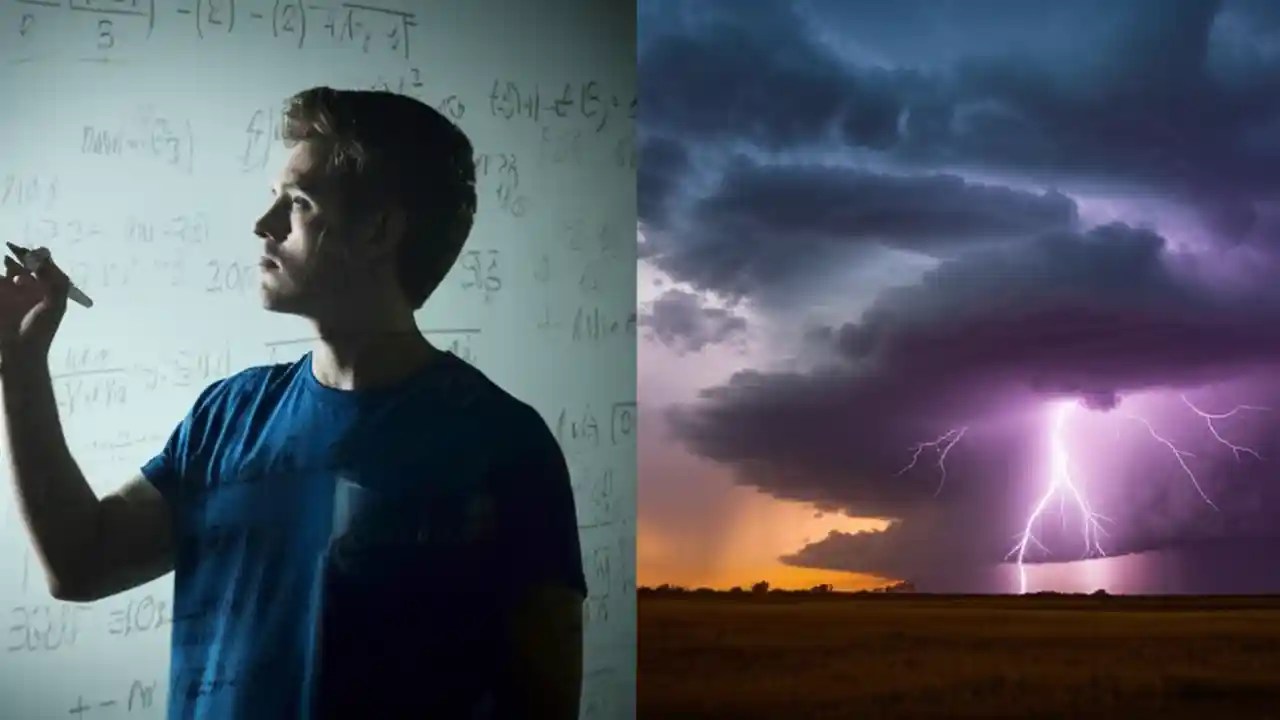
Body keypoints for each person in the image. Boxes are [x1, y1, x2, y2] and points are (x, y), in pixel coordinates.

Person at [0, 87, 587, 719]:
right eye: (274, 198)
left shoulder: (501, 445)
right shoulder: (228, 415)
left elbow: (544, 703)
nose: (265, 224)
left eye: (299, 203)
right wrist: (19, 360)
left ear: (380, 230)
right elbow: (80, 563)